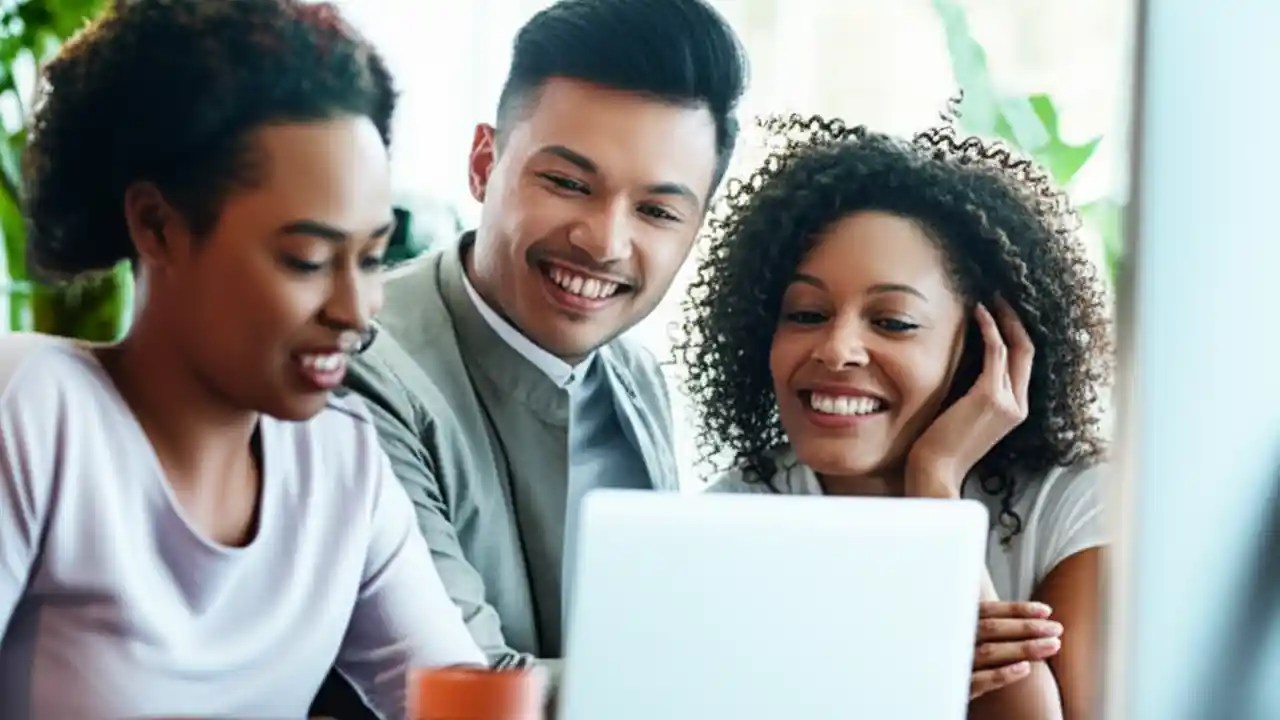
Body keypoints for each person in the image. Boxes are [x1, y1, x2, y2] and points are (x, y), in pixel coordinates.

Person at [0, 2, 486, 718]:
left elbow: (459, 699)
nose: (357, 308)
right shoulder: (37, 414)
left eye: (374, 256)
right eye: (308, 259)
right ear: (157, 225)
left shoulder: (341, 466)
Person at [344, 0, 748, 675]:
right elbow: (461, 690)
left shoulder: (633, 376)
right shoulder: (362, 366)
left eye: (656, 211)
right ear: (483, 163)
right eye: (567, 183)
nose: (605, 242)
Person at [676, 115, 1113, 720]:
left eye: (893, 322)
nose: (836, 350)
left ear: (986, 347)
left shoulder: (1075, 504)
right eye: (805, 314)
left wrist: (935, 486)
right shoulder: (730, 522)